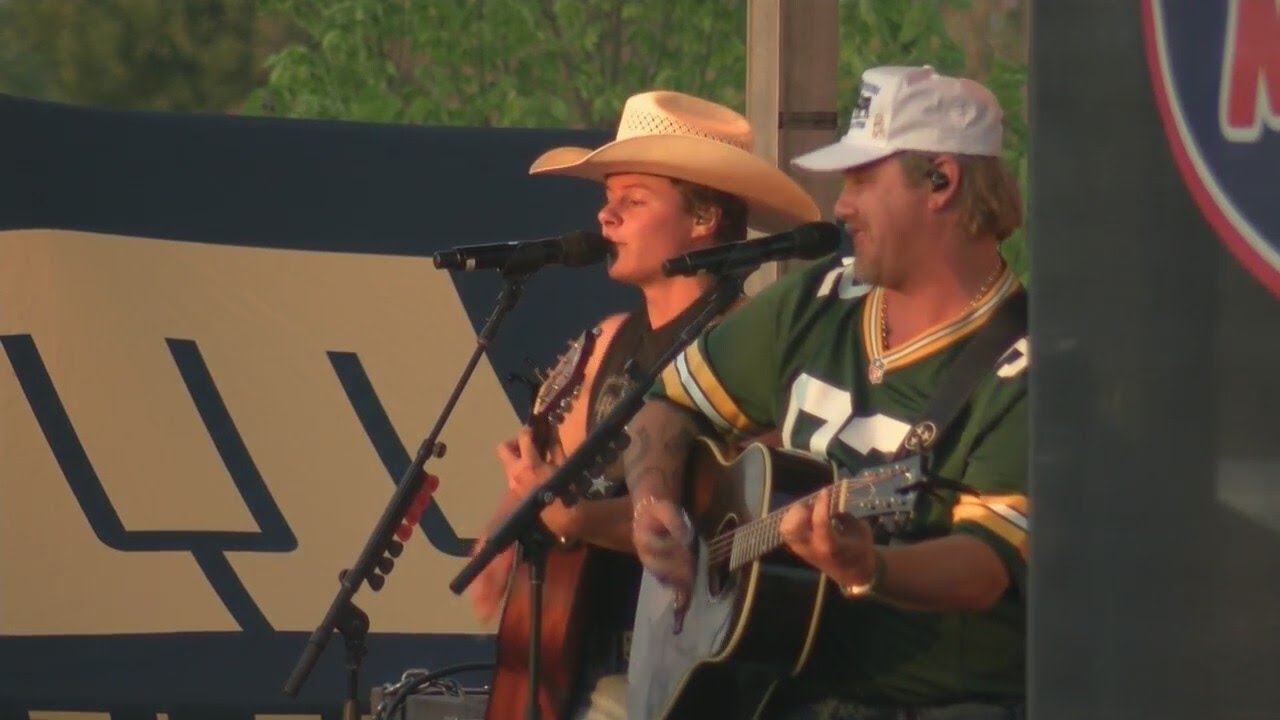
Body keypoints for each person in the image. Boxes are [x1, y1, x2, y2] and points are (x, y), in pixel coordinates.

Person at [625, 65, 1030, 720]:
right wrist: (654, 501)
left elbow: (986, 567)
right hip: (778, 693)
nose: (841, 206)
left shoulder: (1029, 366)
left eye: (862, 179)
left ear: (942, 181)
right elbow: (670, 405)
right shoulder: (815, 301)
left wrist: (869, 568)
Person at [467, 89, 820, 718]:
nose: (606, 218)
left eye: (633, 201)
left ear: (703, 217)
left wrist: (581, 521)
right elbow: (550, 477)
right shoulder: (605, 341)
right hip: (583, 652)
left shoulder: (747, 350)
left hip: (688, 667)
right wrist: (506, 527)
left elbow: (735, 513)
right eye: (608, 200)